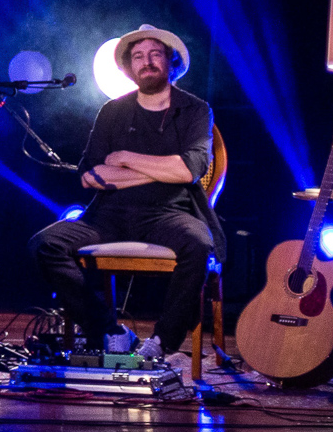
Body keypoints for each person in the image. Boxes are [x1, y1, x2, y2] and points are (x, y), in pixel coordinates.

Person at [28, 26, 222, 374]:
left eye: (155, 54)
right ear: (130, 67)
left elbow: (190, 170)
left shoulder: (195, 110)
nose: (146, 62)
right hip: (109, 214)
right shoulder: (112, 111)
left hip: (169, 212)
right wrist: (162, 168)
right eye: (138, 56)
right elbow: (90, 175)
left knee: (199, 244)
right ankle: (109, 332)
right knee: (46, 244)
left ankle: (161, 341)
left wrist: (125, 157)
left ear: (170, 61)